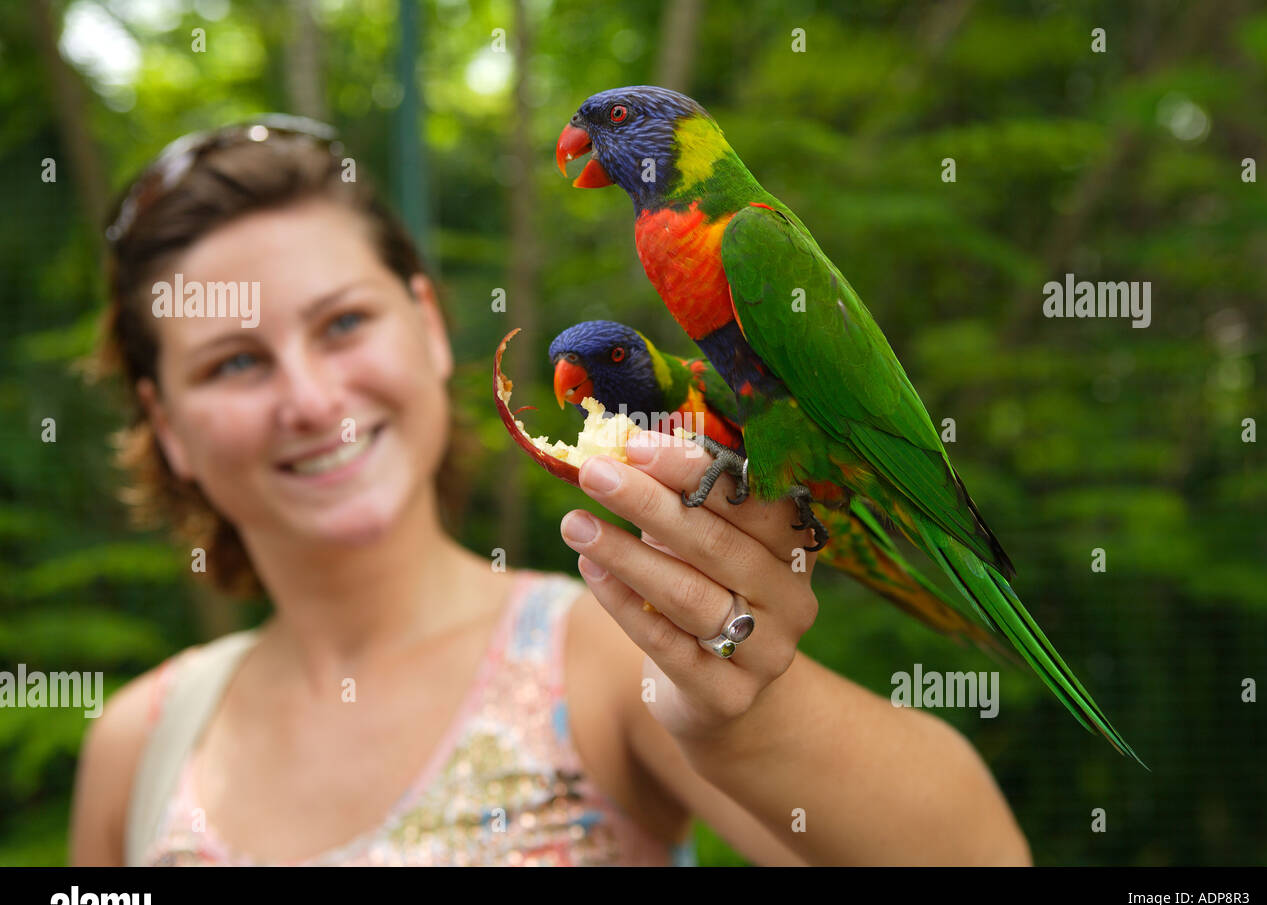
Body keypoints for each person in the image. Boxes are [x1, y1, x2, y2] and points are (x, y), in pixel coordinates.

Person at [68, 116, 1032, 866]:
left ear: (429, 325)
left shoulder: (609, 651)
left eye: (343, 323)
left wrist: (743, 714)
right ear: (164, 424)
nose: (310, 398)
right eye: (236, 363)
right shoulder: (139, 743)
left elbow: (977, 857)